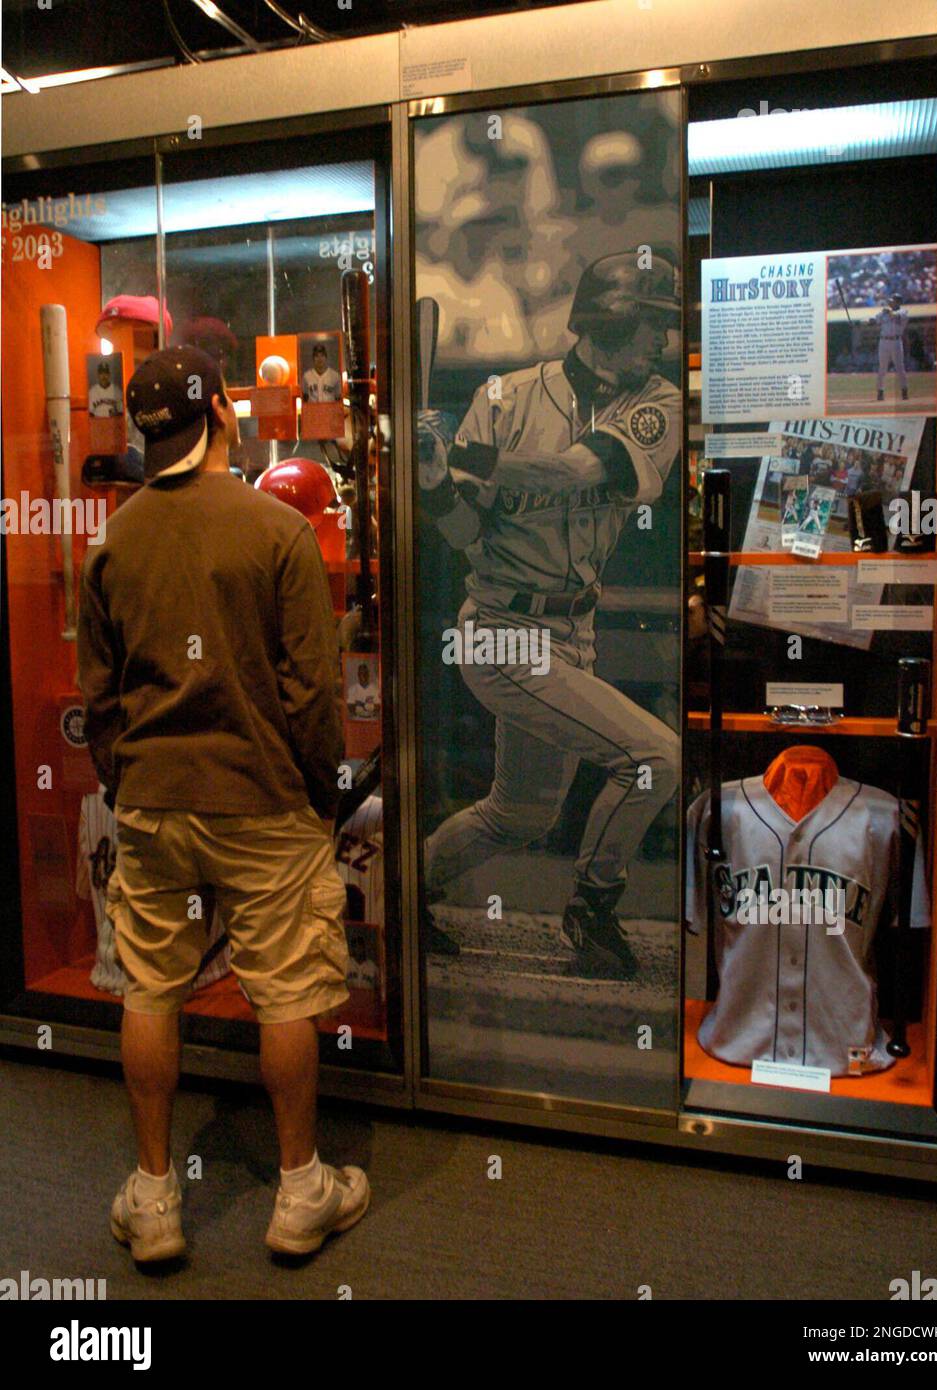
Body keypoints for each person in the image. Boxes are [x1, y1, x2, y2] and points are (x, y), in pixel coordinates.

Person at [76, 346, 369, 1264]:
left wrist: (127, 789)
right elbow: (311, 695)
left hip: (154, 800)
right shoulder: (273, 530)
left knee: (149, 988)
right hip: (264, 799)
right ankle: (298, 1193)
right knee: (284, 991)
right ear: (219, 421)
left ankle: (156, 1200)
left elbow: (100, 702)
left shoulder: (113, 541)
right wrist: (318, 795)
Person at [417, 249, 681, 977]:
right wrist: (436, 485)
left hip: (574, 631)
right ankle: (591, 909)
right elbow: (467, 532)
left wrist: (468, 462)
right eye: (651, 326)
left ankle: (392, 891)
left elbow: (573, 471)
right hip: (502, 630)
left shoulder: (656, 401)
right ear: (610, 319)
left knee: (522, 814)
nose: (662, 342)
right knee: (657, 759)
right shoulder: (505, 397)